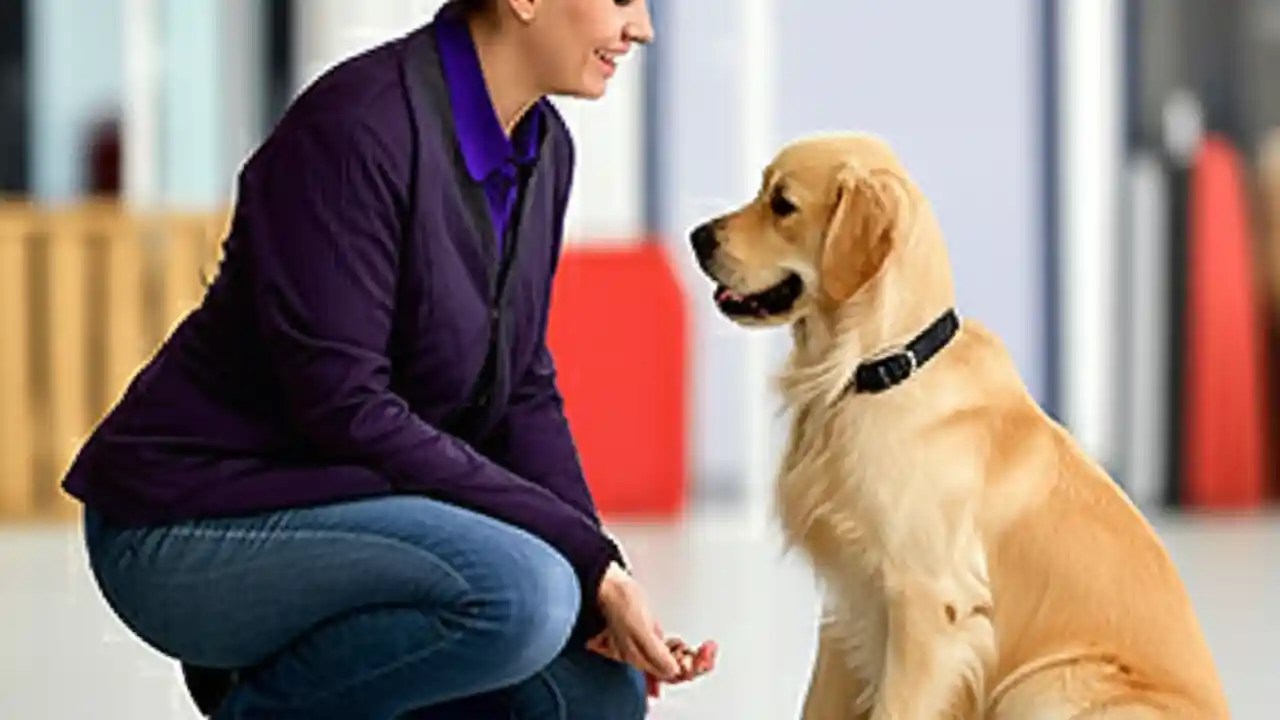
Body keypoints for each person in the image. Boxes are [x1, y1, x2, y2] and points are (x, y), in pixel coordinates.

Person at [63, 0, 716, 717]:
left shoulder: (543, 147)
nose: (642, 27)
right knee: (523, 594)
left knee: (596, 694)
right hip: (189, 526)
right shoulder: (355, 129)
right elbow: (347, 409)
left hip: (348, 510)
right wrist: (581, 564)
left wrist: (605, 573)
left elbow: (523, 386)